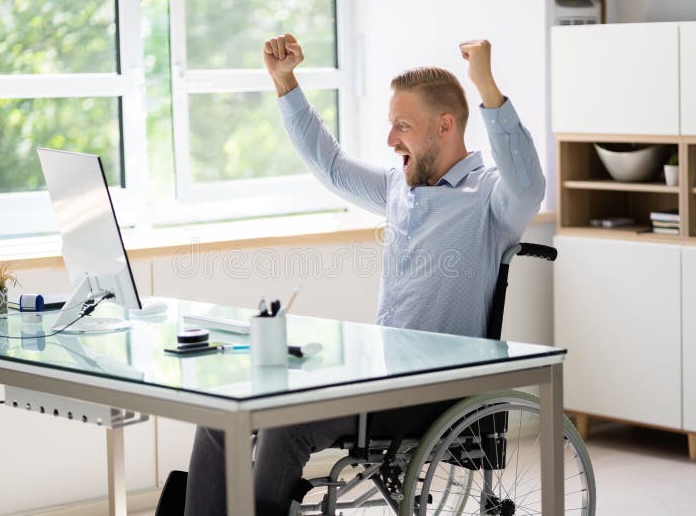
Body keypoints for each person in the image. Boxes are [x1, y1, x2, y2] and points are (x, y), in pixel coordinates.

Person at [184, 32, 545, 516]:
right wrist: (285, 82)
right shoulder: (399, 187)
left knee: (285, 425)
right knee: (222, 408)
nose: (390, 140)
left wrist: (487, 88)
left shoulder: (489, 198)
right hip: (376, 375)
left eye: (402, 126)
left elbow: (529, 186)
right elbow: (331, 166)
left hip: (432, 389)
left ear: (445, 126)